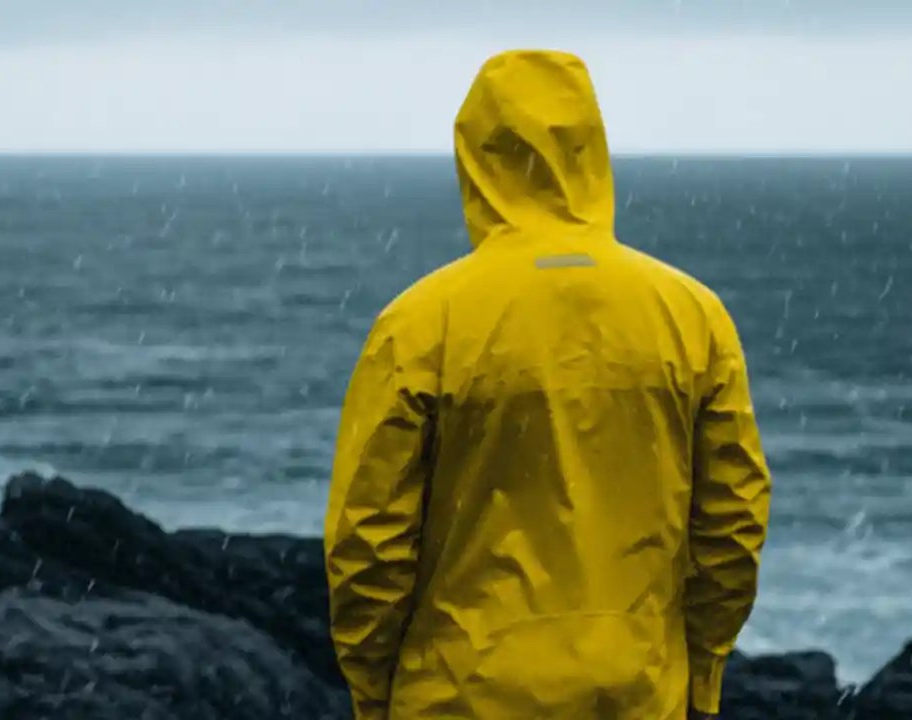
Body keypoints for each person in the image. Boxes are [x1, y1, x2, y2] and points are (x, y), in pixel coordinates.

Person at [324, 49, 772, 719]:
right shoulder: (692, 314)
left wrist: (372, 692)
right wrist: (700, 676)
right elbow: (733, 522)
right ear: (592, 151)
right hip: (637, 690)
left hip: (460, 695)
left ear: (476, 160)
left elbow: (368, 541)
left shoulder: (420, 324)